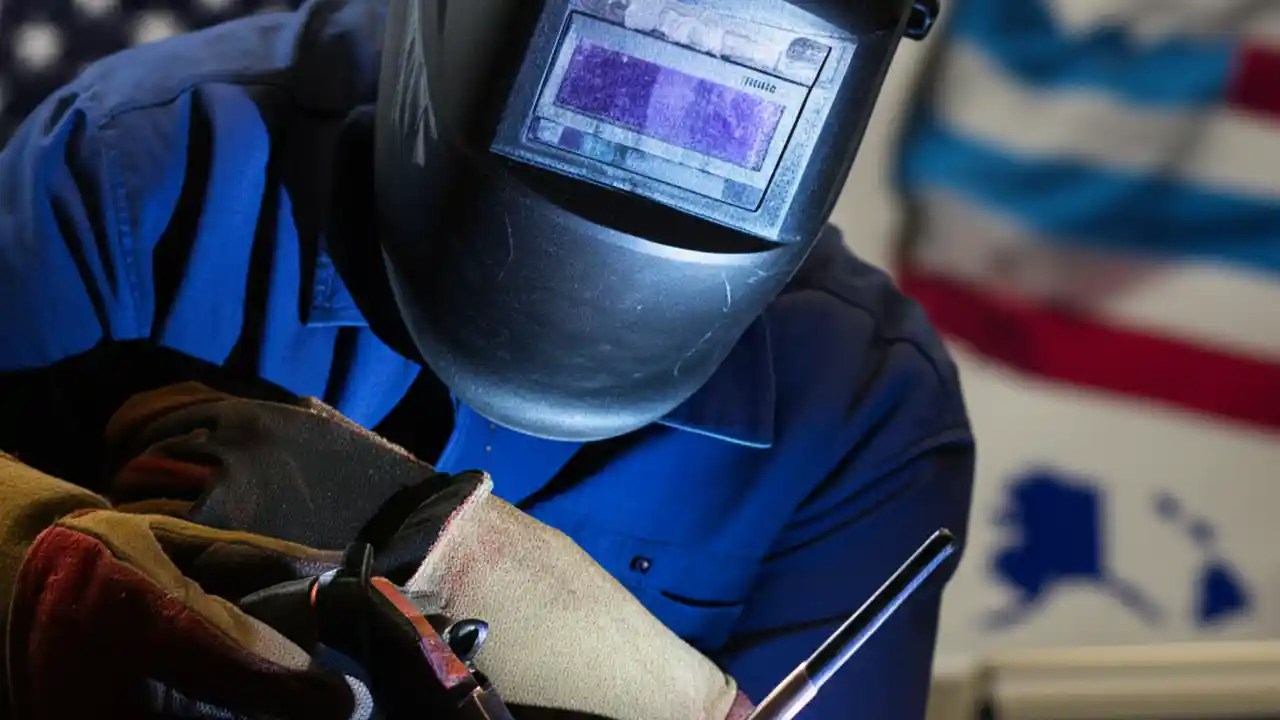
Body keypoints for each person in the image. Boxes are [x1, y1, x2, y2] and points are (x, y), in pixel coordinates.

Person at [0, 0, 974, 716]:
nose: (659, 106)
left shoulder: (860, 410)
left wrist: (664, 697)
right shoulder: (147, 168)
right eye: (623, 53)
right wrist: (35, 560)